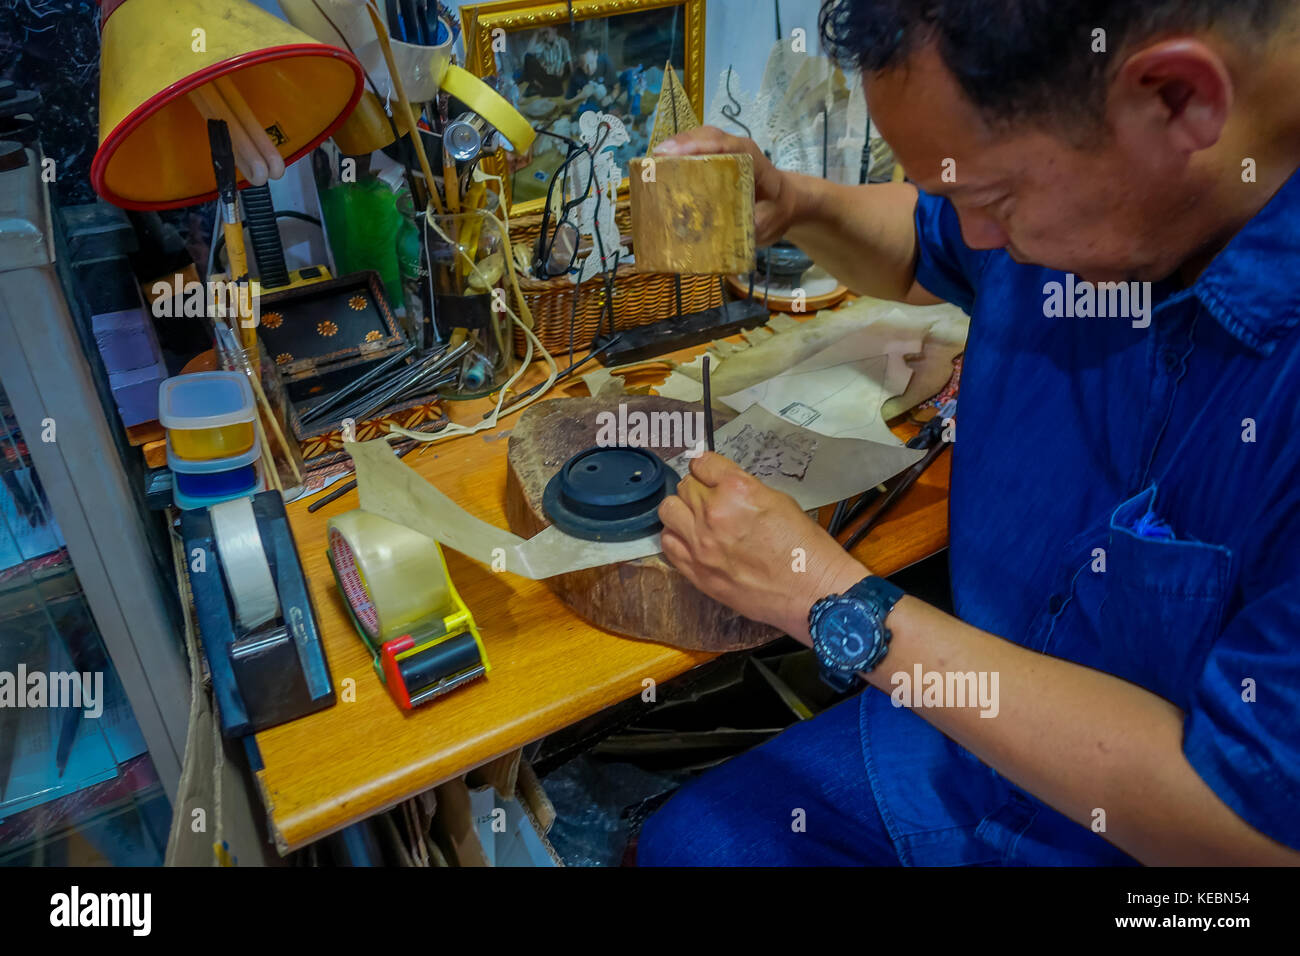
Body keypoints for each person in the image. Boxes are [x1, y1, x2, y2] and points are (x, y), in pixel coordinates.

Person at [637, 0, 1300, 866]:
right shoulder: (1090, 173)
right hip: (974, 736)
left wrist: (834, 599)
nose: (982, 240)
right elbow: (925, 244)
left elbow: (1244, 830)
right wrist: (798, 203)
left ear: (1177, 97)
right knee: (693, 844)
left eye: (995, 198)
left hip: (1157, 840)